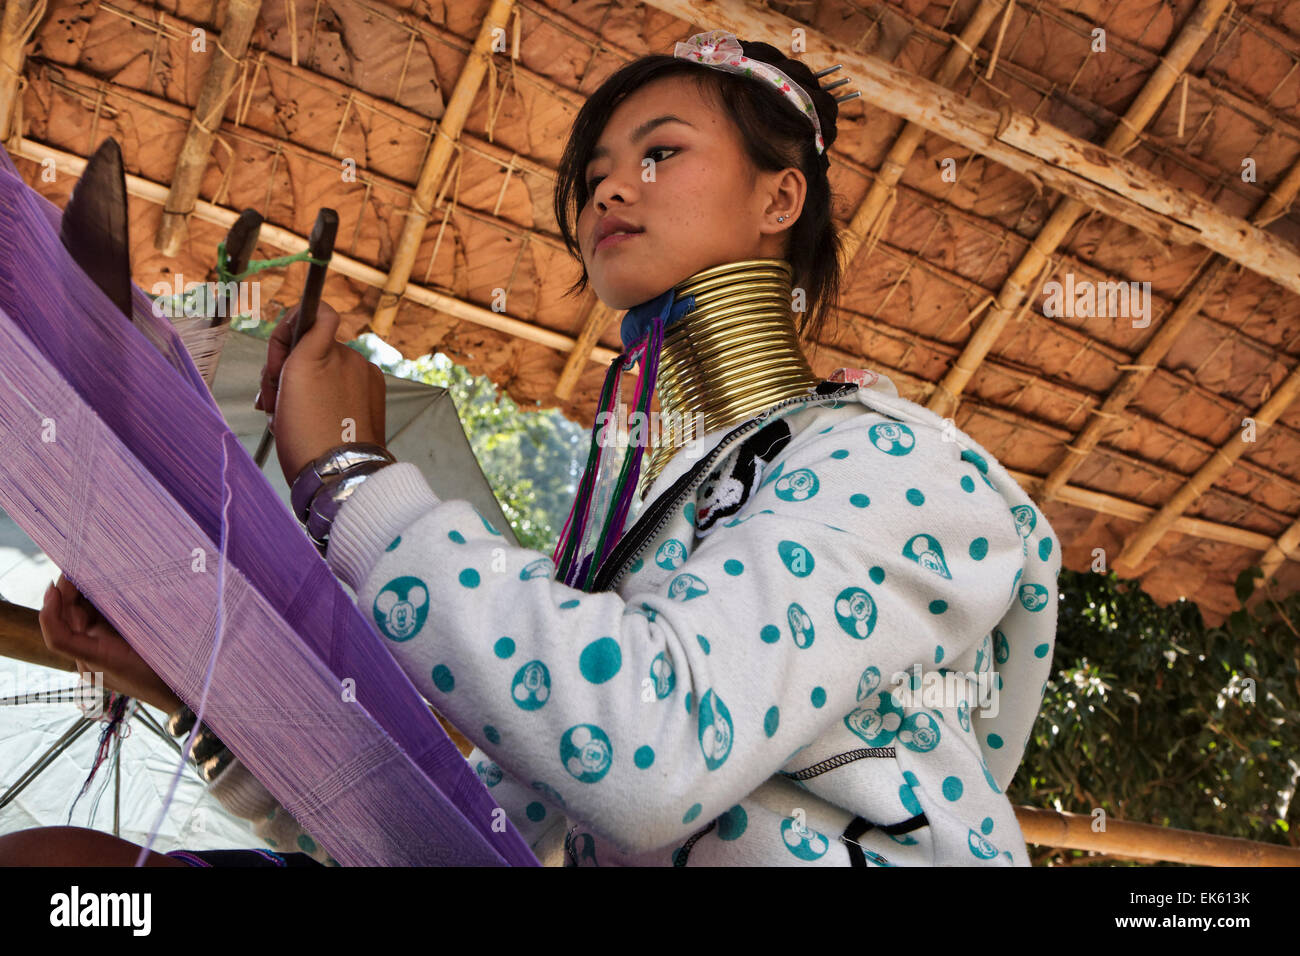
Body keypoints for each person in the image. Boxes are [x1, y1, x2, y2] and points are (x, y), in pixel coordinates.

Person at [0, 29, 1058, 867]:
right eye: (595, 171)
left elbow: (652, 749)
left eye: (659, 153)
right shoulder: (632, 554)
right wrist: (209, 691)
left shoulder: (902, 466)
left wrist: (353, 482)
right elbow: (450, 830)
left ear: (780, 197)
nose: (607, 187)